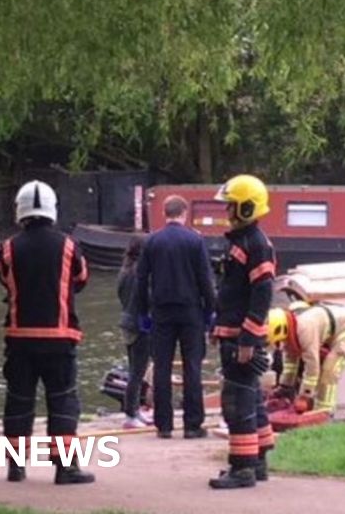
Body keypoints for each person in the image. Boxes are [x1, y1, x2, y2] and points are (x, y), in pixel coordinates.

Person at [0, 180, 95, 485]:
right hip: (59, 338)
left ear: (20, 211)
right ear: (52, 209)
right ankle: (65, 468)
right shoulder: (69, 245)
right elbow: (81, 278)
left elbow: (2, 277)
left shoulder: (8, 248)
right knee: (62, 402)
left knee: (18, 402)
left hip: (20, 338)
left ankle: (15, 466)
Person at [208, 174, 277, 490]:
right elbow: (232, 292)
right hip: (234, 332)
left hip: (241, 337)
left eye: (231, 206)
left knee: (237, 403)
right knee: (251, 399)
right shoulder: (245, 242)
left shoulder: (254, 245)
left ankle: (242, 468)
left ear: (246, 208)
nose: (227, 212)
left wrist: (248, 339)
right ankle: (258, 461)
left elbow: (261, 294)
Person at [136, 194, 215, 439]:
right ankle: (192, 425)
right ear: (184, 213)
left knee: (162, 367)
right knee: (192, 367)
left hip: (161, 312)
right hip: (190, 311)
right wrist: (210, 310)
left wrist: (142, 311)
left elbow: (142, 280)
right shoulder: (195, 240)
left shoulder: (151, 242)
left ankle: (164, 425)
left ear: (165, 214)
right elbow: (205, 279)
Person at [267, 302, 345, 414]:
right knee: (323, 366)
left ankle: (325, 410)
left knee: (330, 368)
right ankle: (317, 407)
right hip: (335, 327)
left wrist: (304, 396)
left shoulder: (305, 330)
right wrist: (284, 386)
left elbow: (312, 367)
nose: (281, 343)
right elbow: (290, 363)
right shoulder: (290, 328)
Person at [117, 235, 153, 429]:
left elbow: (122, 295)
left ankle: (135, 411)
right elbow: (147, 298)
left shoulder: (125, 269)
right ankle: (131, 414)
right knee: (137, 372)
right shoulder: (142, 272)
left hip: (126, 321)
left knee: (134, 369)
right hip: (141, 325)